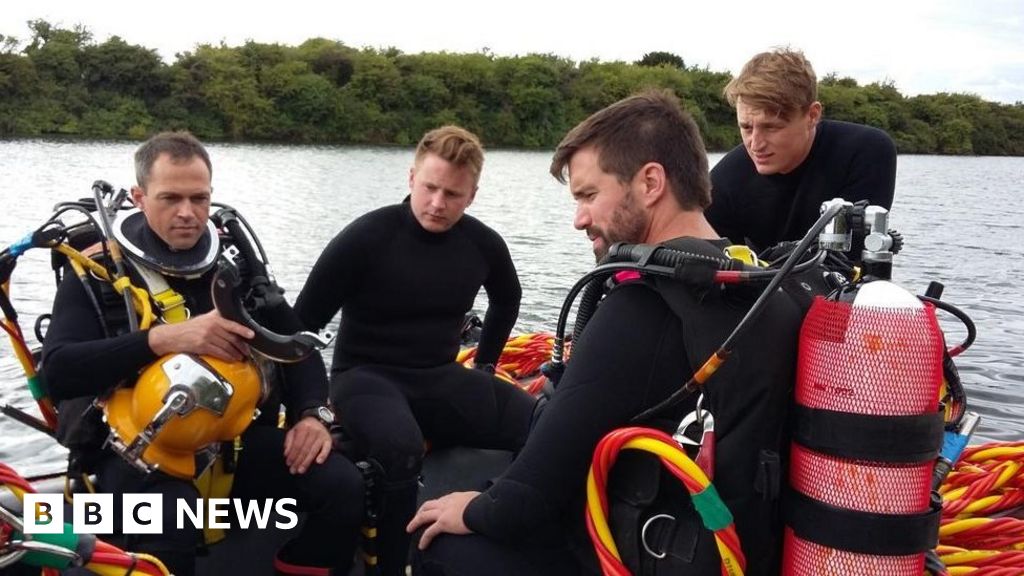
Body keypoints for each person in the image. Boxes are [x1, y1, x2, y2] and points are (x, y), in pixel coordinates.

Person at [406, 90, 805, 576]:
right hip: (731, 548)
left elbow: (524, 501)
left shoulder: (641, 309)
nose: (579, 219)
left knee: (438, 546)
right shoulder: (752, 285)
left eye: (589, 195)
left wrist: (470, 509)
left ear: (650, 182)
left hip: (646, 553)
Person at [42, 131, 364, 576]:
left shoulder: (235, 265)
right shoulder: (100, 273)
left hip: (232, 443)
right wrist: (163, 340)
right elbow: (57, 372)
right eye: (170, 198)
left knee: (344, 486)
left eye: (200, 198)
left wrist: (312, 414)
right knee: (172, 524)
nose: (188, 213)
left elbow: (296, 346)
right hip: (133, 453)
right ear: (139, 197)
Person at [293, 125, 538, 576]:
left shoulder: (481, 244)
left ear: (473, 195)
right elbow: (299, 327)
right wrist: (306, 409)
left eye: (453, 194)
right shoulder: (367, 237)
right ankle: (391, 567)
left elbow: (508, 297)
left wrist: (484, 364)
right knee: (401, 445)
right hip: (364, 378)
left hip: (438, 377)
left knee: (541, 423)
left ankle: (499, 531)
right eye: (429, 187)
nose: (438, 203)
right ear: (411, 179)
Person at [707, 47, 897, 253]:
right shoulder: (723, 181)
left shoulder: (865, 152)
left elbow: (851, 256)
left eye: (771, 127)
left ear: (812, 116)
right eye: (746, 127)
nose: (755, 144)